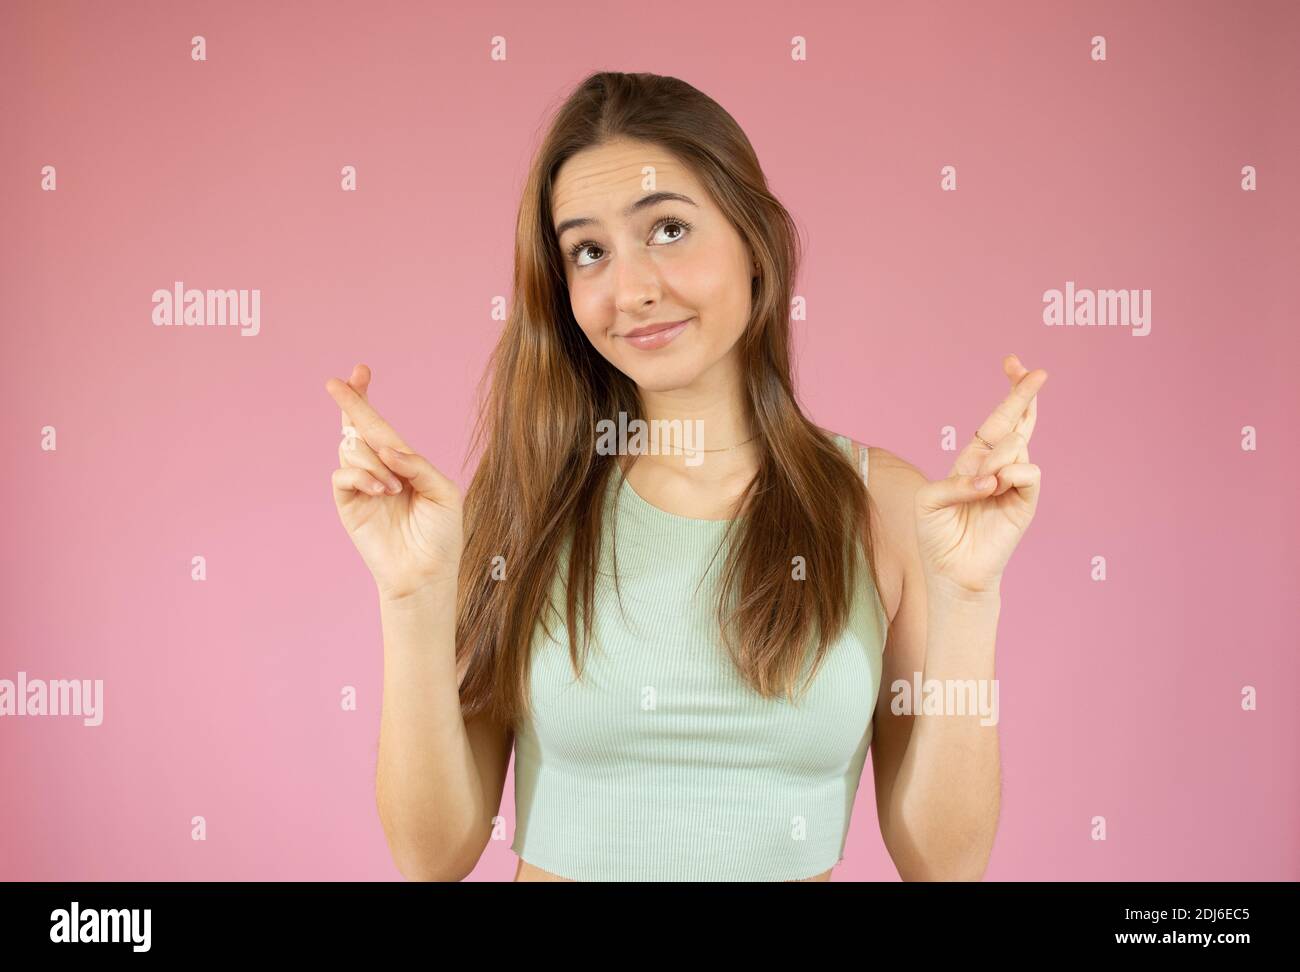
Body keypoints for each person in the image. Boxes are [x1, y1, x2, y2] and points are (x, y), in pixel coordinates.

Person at [325, 72, 1047, 882]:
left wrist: (969, 601)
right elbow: (433, 854)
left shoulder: (887, 506)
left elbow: (944, 865)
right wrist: (411, 598)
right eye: (588, 252)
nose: (631, 289)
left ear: (756, 245)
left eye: (667, 229)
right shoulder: (532, 495)